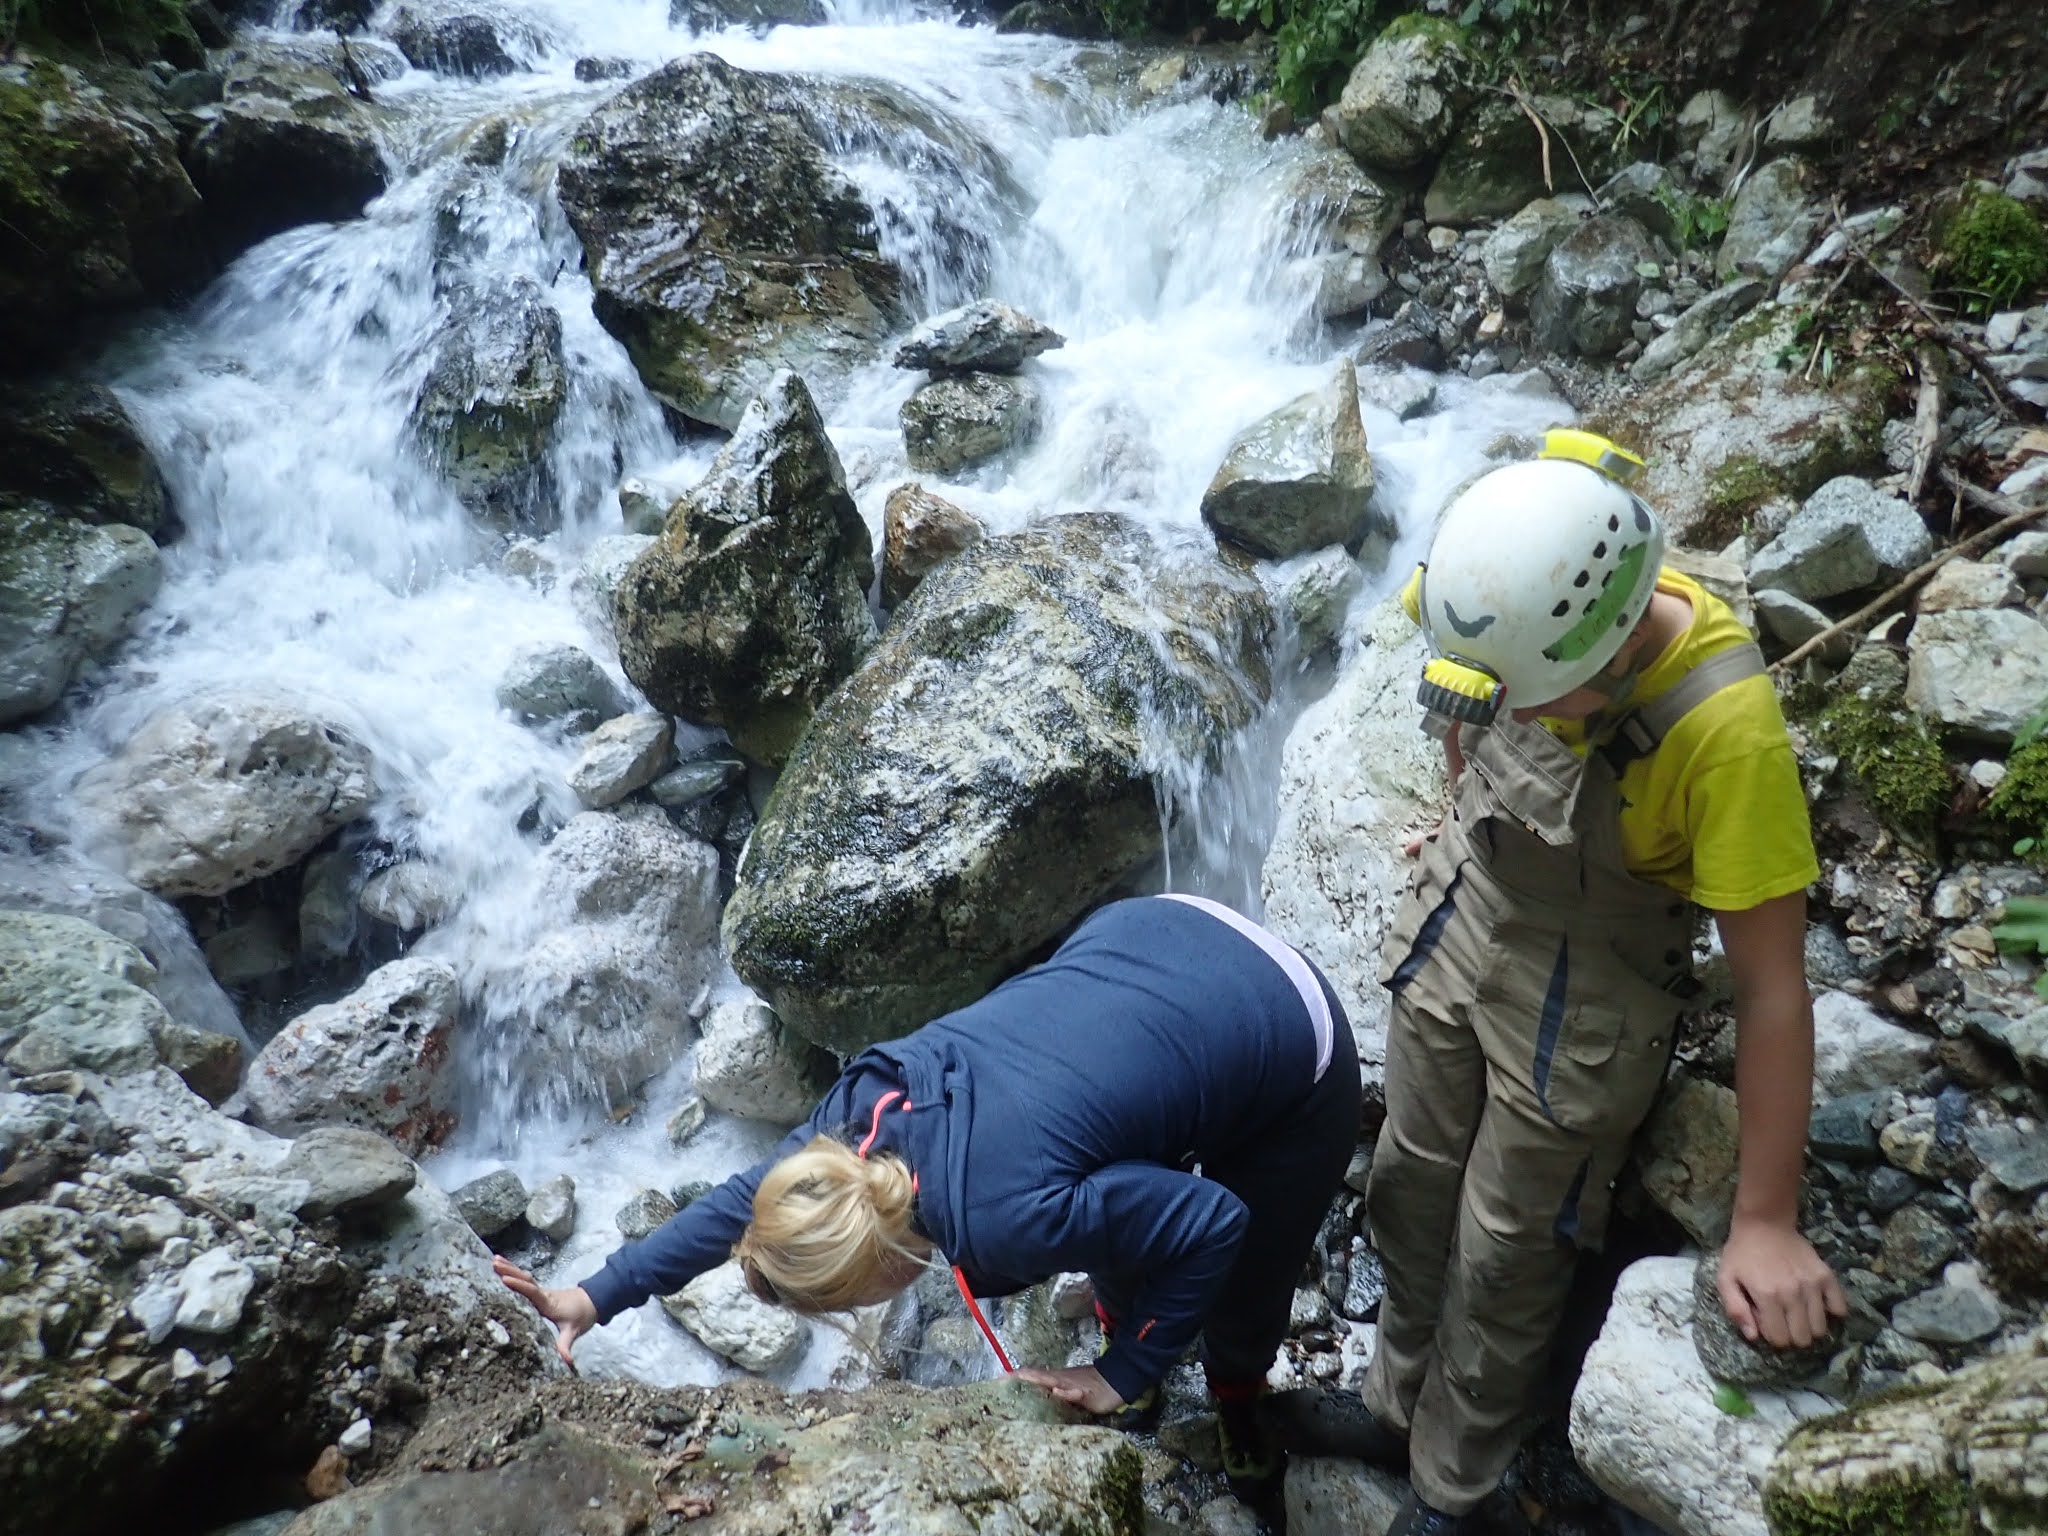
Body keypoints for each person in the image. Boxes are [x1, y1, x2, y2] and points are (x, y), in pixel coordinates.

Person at [1285, 430, 1848, 1536]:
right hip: (1464, 901)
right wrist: (1458, 813)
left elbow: (1773, 991)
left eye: (1536, 701)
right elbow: (1466, 713)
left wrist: (1764, 1220)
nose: (1518, 714)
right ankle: (1392, 1399)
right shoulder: (1507, 581)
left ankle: (1448, 1484)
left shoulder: (1723, 734)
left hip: (1590, 975)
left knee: (1508, 1243)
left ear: (1612, 651)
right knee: (1408, 1174)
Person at [497, 892, 1361, 1494]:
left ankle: (1237, 1404)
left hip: (1293, 1028)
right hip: (1158, 931)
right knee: (1112, 1199)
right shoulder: (853, 1125)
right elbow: (733, 1209)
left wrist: (1123, 1370)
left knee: (1243, 1280)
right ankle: (1126, 1341)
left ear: (876, 1273)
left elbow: (1214, 1221)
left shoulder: (1005, 1220)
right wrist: (594, 1295)